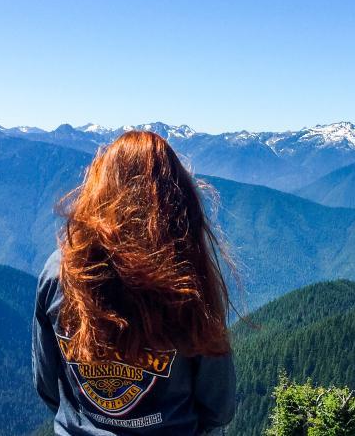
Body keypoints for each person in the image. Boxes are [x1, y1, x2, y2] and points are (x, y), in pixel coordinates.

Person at [32, 130, 237, 435]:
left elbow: (48, 386)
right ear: (177, 198)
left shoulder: (58, 273)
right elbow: (218, 406)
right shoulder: (188, 278)